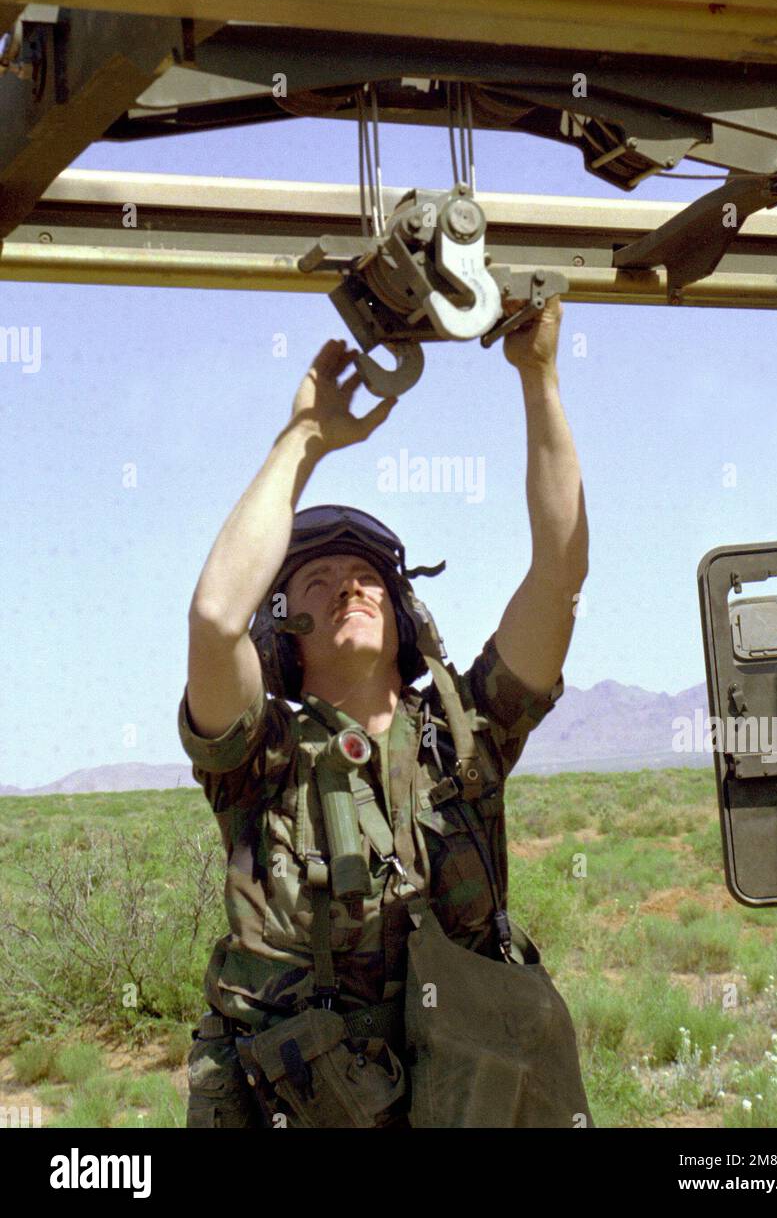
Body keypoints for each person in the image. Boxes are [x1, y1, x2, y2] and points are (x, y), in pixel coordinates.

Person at [179, 294, 593, 1128]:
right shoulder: (260, 760)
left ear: (403, 615)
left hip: (475, 1090)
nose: (349, 588)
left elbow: (558, 574)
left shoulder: (462, 731)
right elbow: (217, 618)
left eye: (367, 578)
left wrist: (538, 378)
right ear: (285, 628)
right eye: (317, 582)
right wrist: (304, 442)